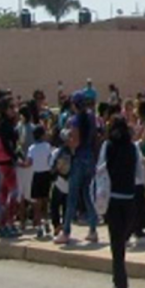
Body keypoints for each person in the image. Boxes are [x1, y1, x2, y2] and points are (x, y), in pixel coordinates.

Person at [99, 116, 139, 288]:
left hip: (113, 198)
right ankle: (120, 279)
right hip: (130, 198)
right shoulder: (132, 148)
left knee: (116, 244)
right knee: (122, 238)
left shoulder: (108, 146)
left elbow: (100, 168)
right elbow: (139, 172)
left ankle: (120, 281)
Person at [56, 92, 99, 245]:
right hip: (90, 158)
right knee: (86, 194)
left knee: (72, 197)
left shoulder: (75, 120)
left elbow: (75, 142)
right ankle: (93, 229)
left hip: (79, 158)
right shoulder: (92, 118)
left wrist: (64, 137)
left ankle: (66, 231)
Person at [25, 125, 54, 238]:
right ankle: (46, 221)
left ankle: (39, 226)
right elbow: (51, 160)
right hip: (46, 174)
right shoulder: (47, 146)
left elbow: (29, 162)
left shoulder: (31, 148)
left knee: (37, 202)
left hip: (36, 175)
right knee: (45, 200)